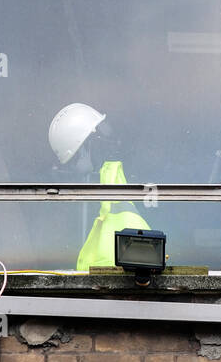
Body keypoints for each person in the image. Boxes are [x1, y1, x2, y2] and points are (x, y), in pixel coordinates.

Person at [47, 103, 150, 271]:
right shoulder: (108, 195)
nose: (71, 170)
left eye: (71, 163)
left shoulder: (114, 200)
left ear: (83, 151)